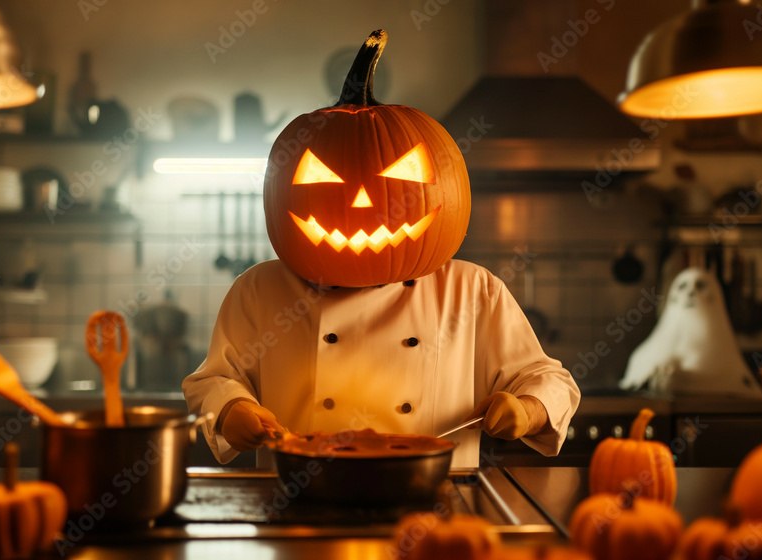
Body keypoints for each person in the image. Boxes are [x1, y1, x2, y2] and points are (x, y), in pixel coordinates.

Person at [181, 29, 579, 468]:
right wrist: (232, 411)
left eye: (402, 174)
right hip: (297, 498)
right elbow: (213, 380)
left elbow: (548, 380)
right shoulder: (259, 289)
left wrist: (527, 409)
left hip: (433, 502)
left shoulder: (472, 291)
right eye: (321, 178)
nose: (361, 203)